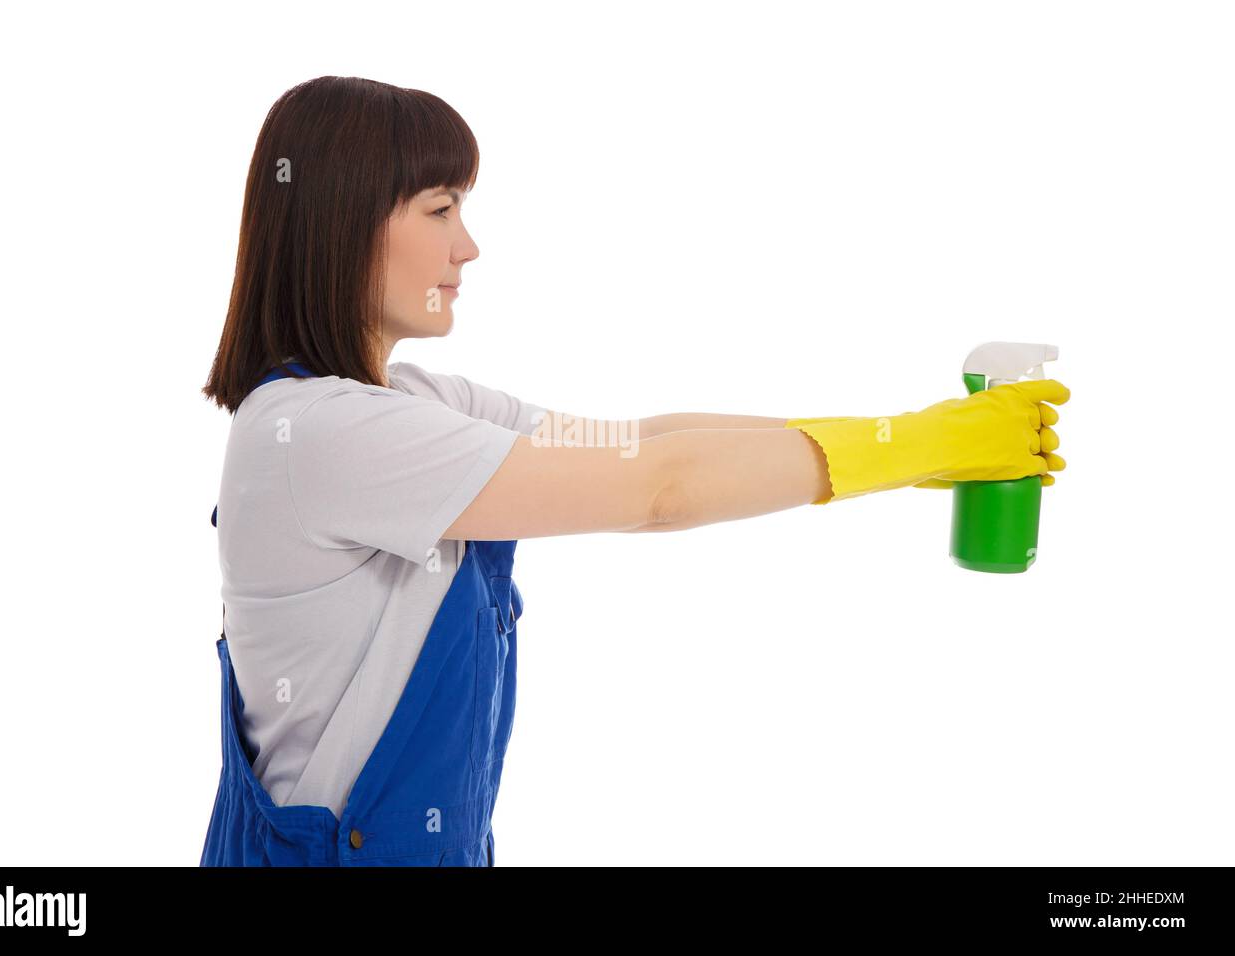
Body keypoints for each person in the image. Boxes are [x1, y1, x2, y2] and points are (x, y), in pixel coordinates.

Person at [198, 76, 1069, 867]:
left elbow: (637, 443)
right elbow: (661, 492)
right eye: (440, 208)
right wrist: (924, 445)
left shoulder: (414, 402)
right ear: (347, 222)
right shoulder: (325, 435)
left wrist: (912, 446)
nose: (468, 247)